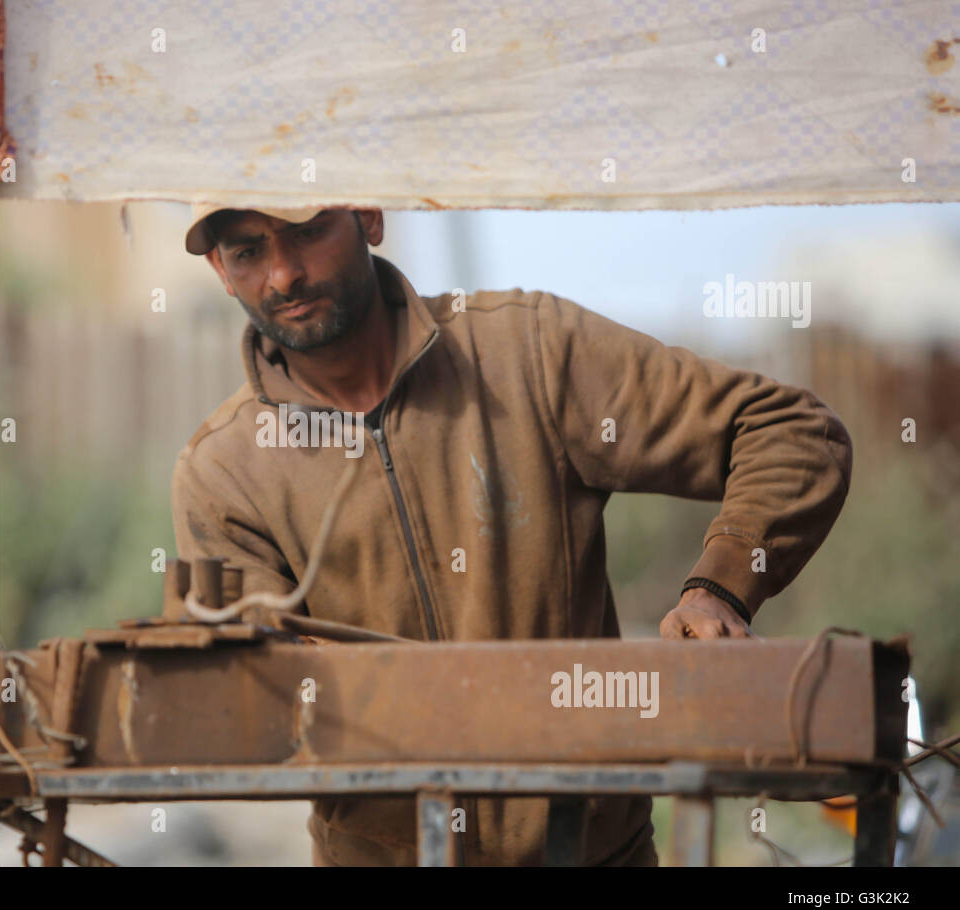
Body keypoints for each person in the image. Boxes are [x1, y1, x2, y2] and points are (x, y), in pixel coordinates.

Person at [170, 203, 852, 866]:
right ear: (221, 272)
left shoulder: (526, 351)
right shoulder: (223, 472)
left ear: (369, 217)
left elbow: (793, 433)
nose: (283, 275)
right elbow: (252, 693)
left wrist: (719, 590)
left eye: (307, 230)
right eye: (248, 251)